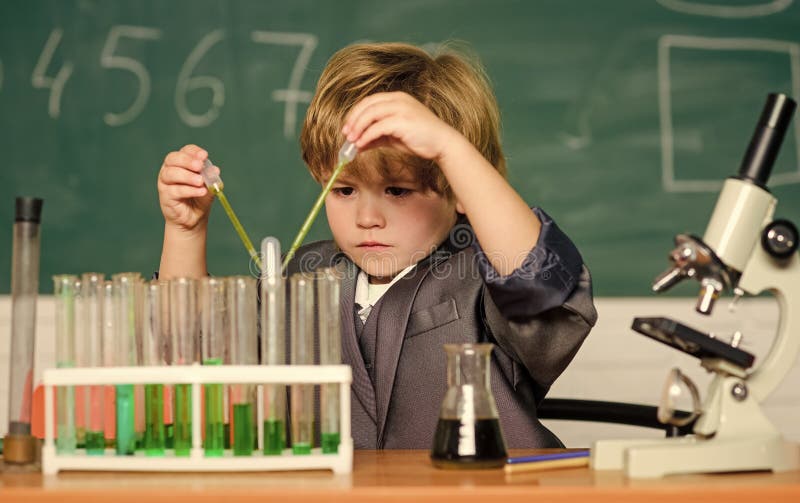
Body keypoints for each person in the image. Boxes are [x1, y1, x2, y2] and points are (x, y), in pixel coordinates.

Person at [157, 42, 597, 449]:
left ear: (459, 188)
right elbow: (192, 356)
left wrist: (450, 148)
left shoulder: (481, 278)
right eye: (345, 190)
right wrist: (186, 232)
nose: (367, 217)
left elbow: (540, 283)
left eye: (398, 191)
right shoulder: (304, 276)